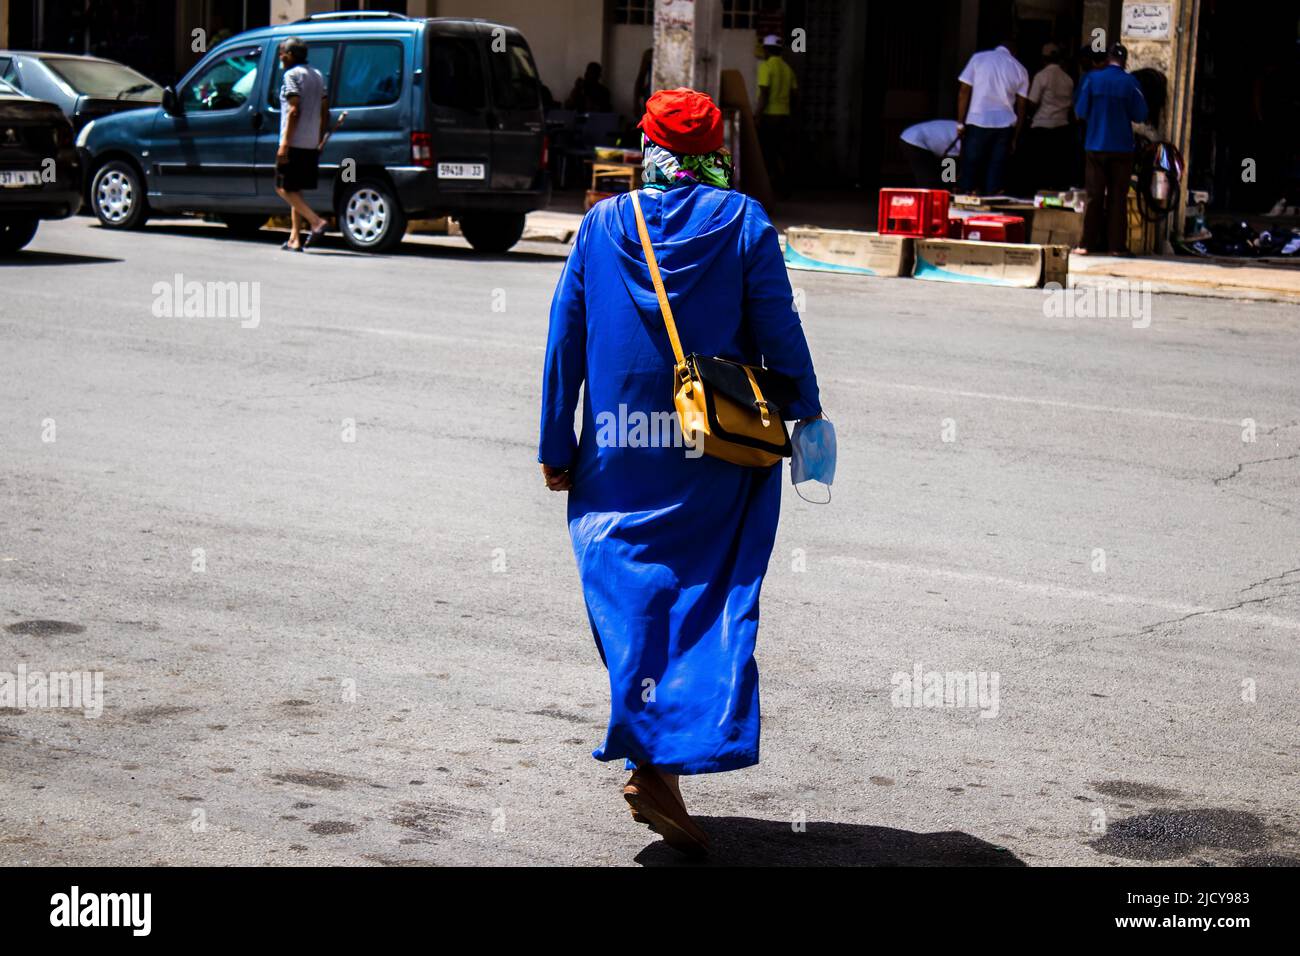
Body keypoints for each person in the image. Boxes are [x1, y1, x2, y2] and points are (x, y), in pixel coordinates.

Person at [537, 88, 823, 856]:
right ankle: (655, 763)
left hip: (617, 445)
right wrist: (802, 407)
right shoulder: (744, 222)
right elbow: (778, 326)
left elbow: (566, 338)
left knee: (631, 594)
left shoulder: (601, 224)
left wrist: (554, 445)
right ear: (715, 147)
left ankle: (649, 759)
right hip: (715, 449)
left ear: (646, 146)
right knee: (705, 597)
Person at [1073, 43, 1148, 255]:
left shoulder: (1092, 79)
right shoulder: (1131, 82)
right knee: (1118, 198)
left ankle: (1086, 244)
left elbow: (1080, 111)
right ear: (1124, 61)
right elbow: (1141, 115)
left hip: (1095, 145)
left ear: (1107, 58)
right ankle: (1116, 247)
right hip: (1122, 148)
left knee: (1094, 196)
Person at [274, 37, 330, 252]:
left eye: (282, 53)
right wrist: (320, 136)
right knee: (295, 190)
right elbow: (325, 109)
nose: (280, 57)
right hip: (310, 142)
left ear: (290, 56)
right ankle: (294, 238)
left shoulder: (291, 76)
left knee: (282, 187)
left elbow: (294, 109)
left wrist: (285, 144)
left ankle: (316, 221)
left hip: (294, 141)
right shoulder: (317, 75)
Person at [955, 38, 1029, 195]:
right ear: (1013, 53)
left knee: (970, 165)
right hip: (1004, 125)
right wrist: (1015, 137)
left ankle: (965, 197)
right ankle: (992, 201)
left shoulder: (978, 59)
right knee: (996, 167)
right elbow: (1022, 106)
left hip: (977, 120)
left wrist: (960, 123)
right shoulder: (1020, 68)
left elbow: (964, 91)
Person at [1024, 43, 1075, 191]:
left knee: (1040, 165)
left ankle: (1039, 192)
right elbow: (1071, 106)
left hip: (1042, 126)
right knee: (1056, 165)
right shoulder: (1068, 79)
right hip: (1062, 127)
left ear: (1043, 59)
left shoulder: (1041, 76)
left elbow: (1032, 102)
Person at [755, 34, 798, 197]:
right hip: (784, 116)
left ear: (766, 49)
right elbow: (795, 94)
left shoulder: (766, 67)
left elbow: (764, 93)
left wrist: (757, 115)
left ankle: (771, 189)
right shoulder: (787, 69)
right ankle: (785, 187)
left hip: (770, 116)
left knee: (768, 153)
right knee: (782, 152)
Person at [899, 119, 961, 188]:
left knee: (933, 176)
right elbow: (952, 161)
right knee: (928, 179)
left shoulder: (959, 127)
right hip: (915, 140)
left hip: (910, 136)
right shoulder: (963, 133)